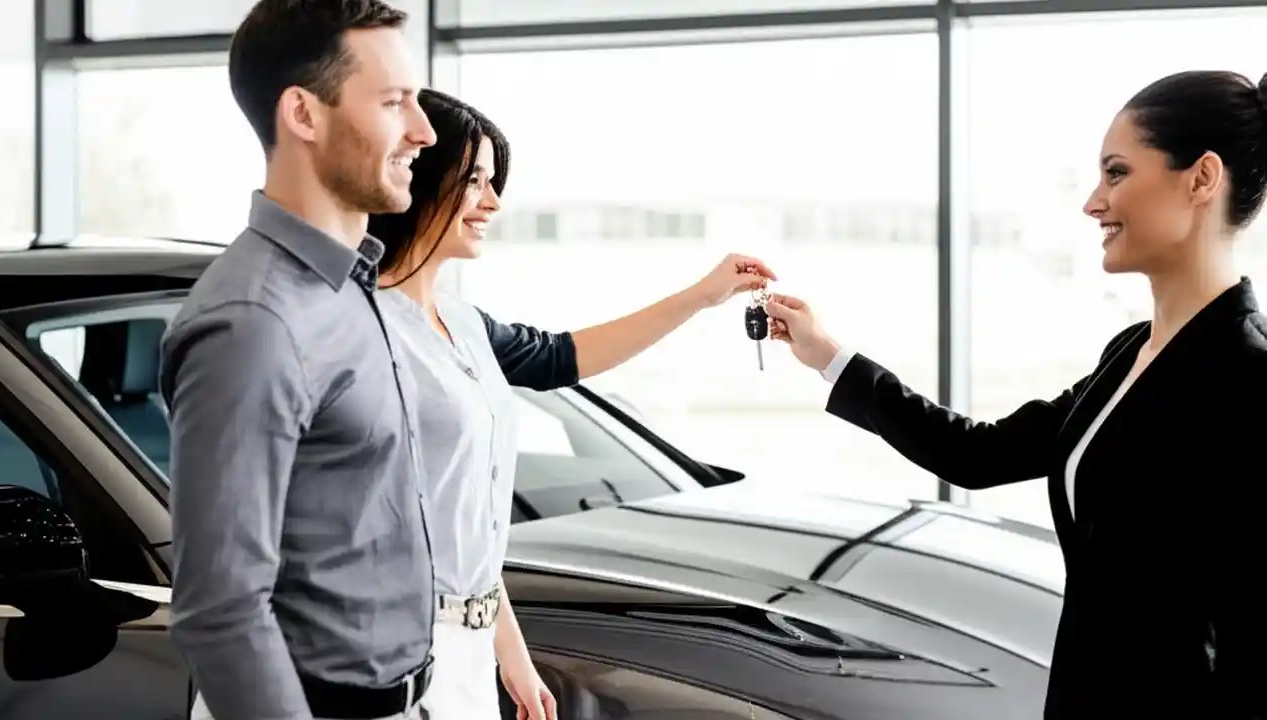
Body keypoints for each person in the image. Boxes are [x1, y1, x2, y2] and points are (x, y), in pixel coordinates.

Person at [764, 69, 1267, 719]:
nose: (1092, 201)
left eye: (1116, 173)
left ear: (1200, 178)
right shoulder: (1130, 353)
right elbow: (979, 454)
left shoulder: (1249, 382)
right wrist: (828, 356)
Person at [364, 88, 776, 719]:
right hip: (392, 653)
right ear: (418, 171)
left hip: (468, 655)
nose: (492, 201)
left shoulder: (463, 323)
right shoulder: (360, 328)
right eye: (474, 180)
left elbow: (469, 517)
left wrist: (515, 662)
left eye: (493, 182)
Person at [161, 2, 439, 719]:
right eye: (394, 102)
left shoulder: (351, 287)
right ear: (304, 115)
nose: (424, 131)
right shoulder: (255, 322)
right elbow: (220, 611)